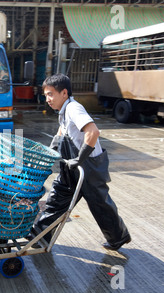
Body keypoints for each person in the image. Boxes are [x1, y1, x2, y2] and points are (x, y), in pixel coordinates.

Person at [36, 73, 131, 250]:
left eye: (50, 94)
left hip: (89, 166)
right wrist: (48, 151)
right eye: (45, 95)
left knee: (99, 204)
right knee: (58, 196)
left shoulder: (73, 108)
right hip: (73, 165)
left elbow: (93, 132)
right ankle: (41, 234)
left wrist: (80, 158)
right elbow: (61, 132)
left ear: (64, 93)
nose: (47, 99)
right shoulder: (63, 111)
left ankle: (119, 237)